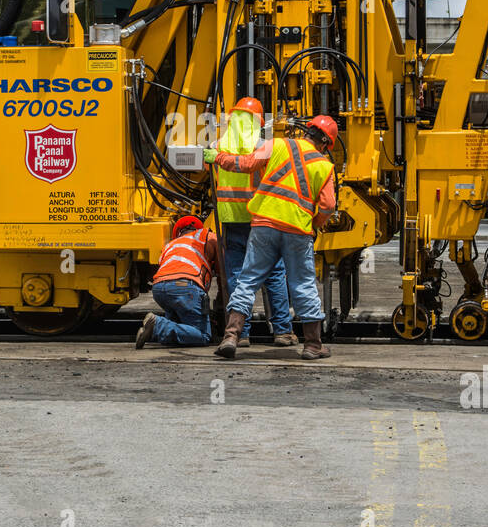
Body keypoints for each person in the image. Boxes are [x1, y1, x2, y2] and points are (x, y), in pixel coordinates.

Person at [205, 115, 338, 361]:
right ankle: (312, 345)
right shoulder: (324, 165)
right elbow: (329, 205)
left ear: (306, 131)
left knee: (247, 280)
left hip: (264, 225)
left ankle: (232, 336)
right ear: (325, 145)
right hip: (297, 230)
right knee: (303, 284)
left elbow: (246, 164)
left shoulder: (276, 144)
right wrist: (315, 223)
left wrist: (219, 158)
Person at [213, 97, 295, 348]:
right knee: (274, 273)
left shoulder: (217, 148)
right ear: (258, 123)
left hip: (230, 220)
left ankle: (242, 333)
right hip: (260, 220)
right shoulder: (264, 147)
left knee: (238, 277)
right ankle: (281, 331)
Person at [136, 215, 220, 348]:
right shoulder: (206, 235)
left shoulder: (169, 245)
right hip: (185, 286)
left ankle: (151, 332)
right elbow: (223, 268)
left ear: (178, 232)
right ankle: (158, 326)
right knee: (203, 335)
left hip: (159, 289)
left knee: (177, 332)